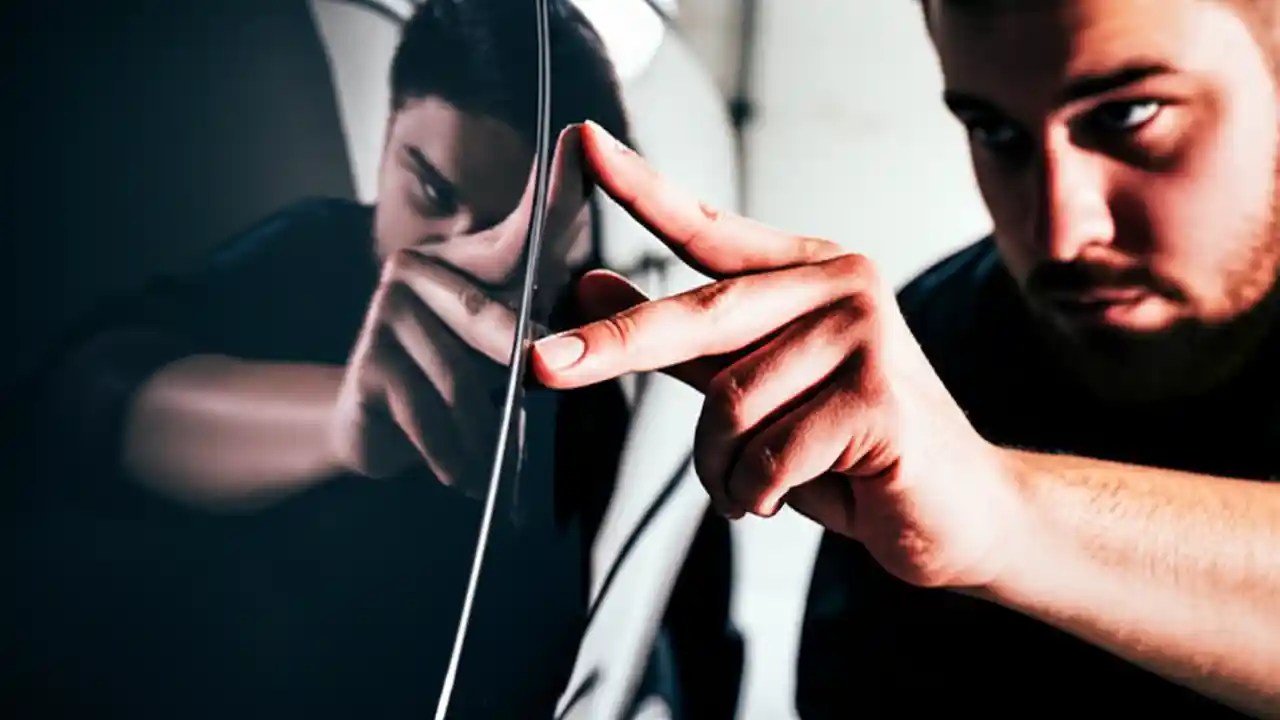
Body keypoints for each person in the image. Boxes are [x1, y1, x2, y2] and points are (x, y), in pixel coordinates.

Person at [529, 0, 1280, 717]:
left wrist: (1002, 513)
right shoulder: (937, 346)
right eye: (994, 131)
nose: (1060, 231)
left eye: (1128, 115)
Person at [6, 1, 741, 718]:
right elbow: (94, 398)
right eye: (430, 190)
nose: (464, 257)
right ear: (389, 135)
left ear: (574, 226)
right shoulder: (308, 256)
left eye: (516, 232)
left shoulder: (599, 367)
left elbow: (680, 618)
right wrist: (336, 418)